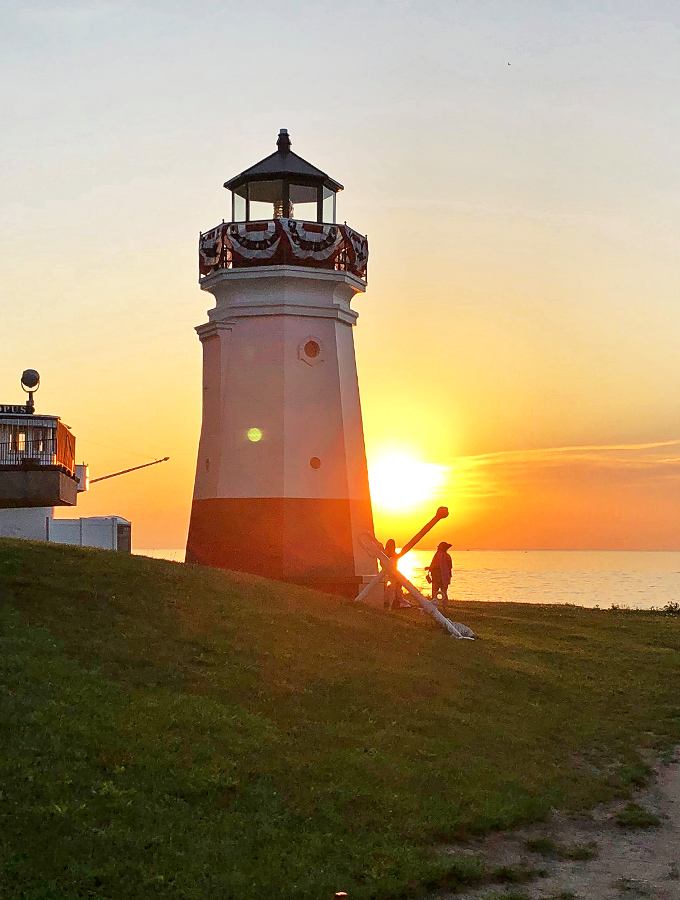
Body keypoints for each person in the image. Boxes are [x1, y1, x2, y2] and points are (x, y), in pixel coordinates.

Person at [383, 539, 411, 610]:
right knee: (392, 588)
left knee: (395, 587)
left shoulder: (392, 553)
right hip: (389, 572)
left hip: (393, 572)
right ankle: (391, 604)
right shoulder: (388, 552)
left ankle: (393, 603)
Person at [427, 542, 453, 614]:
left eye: (439, 546)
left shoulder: (438, 555)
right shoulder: (447, 556)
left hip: (437, 576)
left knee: (434, 592)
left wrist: (429, 568)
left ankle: (433, 607)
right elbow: (450, 567)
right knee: (444, 592)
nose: (437, 547)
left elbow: (435, 565)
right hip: (445, 577)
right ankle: (445, 607)